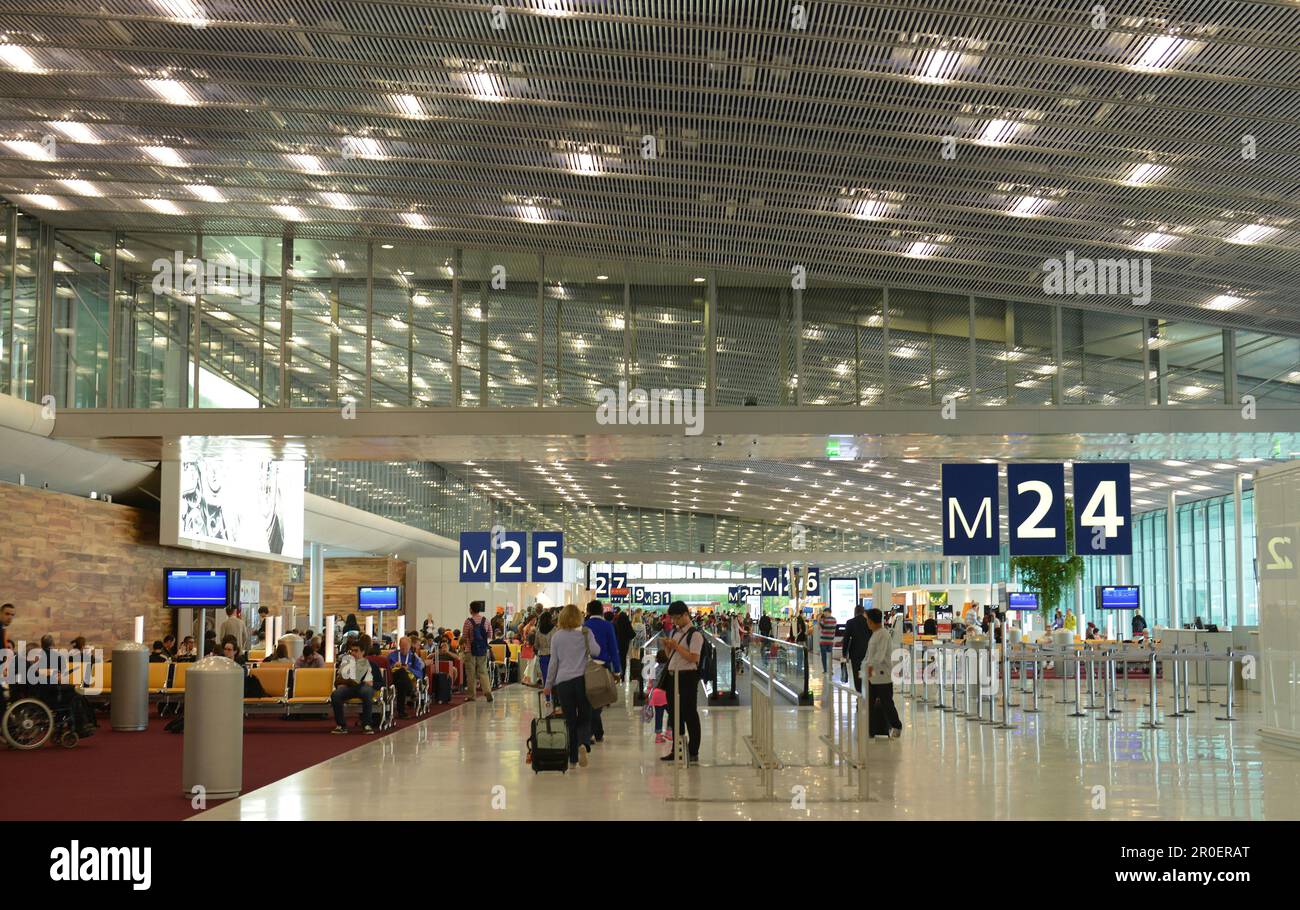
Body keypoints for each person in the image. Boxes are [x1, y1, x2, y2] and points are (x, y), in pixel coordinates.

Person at [543, 603, 599, 768]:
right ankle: (583, 743)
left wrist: (548, 685)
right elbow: (596, 651)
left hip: (563, 683)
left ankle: (573, 759)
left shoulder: (557, 637)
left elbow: (553, 663)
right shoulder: (585, 632)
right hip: (583, 681)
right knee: (585, 715)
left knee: (569, 720)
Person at [658, 601, 703, 765]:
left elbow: (693, 658)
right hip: (672, 677)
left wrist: (676, 646)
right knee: (674, 715)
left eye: (677, 618)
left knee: (690, 714)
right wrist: (668, 647)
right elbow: (671, 655)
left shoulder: (695, 635)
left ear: (685, 614)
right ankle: (676, 750)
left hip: (687, 678)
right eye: (673, 619)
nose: (675, 622)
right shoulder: (675, 633)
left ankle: (693, 751)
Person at [584, 600, 621, 743]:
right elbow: (613, 648)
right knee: (599, 698)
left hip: (587, 666)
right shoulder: (608, 626)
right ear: (601, 611)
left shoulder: (584, 626)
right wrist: (617, 670)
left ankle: (596, 732)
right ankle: (596, 731)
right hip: (603, 666)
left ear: (588, 611)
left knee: (590, 698)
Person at [864, 608, 902, 738]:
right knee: (870, 704)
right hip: (872, 676)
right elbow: (869, 655)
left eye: (867, 619)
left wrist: (870, 666)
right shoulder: (874, 634)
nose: (866, 622)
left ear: (872, 620)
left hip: (883, 675)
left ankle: (896, 726)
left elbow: (879, 655)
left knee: (887, 703)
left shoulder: (883, 634)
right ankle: (871, 729)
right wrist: (864, 666)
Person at [330, 640, 376, 734]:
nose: (353, 653)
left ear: (362, 652)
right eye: (352, 651)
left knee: (367, 692)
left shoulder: (368, 664)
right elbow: (339, 679)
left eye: (356, 651)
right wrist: (343, 683)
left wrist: (371, 683)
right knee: (335, 695)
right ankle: (341, 725)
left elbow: (378, 682)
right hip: (350, 687)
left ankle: (367, 724)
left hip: (364, 686)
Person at [462, 600, 495, 702]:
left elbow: (464, 636)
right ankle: (487, 691)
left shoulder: (468, 621)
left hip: (470, 650)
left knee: (470, 673)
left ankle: (472, 695)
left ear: (471, 609)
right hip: (482, 649)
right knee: (483, 671)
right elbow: (490, 635)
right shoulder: (486, 621)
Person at [388, 635, 425, 718]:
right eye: (402, 647)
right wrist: (394, 666)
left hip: (405, 682)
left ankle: (401, 712)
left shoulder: (413, 657)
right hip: (394, 679)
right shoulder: (392, 656)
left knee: (402, 682)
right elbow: (387, 670)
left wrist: (410, 669)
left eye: (406, 647)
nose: (404, 649)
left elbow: (420, 674)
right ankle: (410, 691)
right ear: (399, 646)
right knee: (401, 672)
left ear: (410, 646)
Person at [840, 605, 871, 692]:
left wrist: (844, 654)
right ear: (863, 612)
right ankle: (867, 691)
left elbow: (846, 639)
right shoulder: (868, 622)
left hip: (855, 653)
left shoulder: (850, 622)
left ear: (855, 612)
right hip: (867, 652)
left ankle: (859, 692)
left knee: (856, 673)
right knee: (867, 672)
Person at [613, 606, 636, 681]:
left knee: (618, 657)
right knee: (623, 658)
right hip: (625, 642)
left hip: (616, 642)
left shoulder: (615, 621)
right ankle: (623, 675)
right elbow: (632, 633)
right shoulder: (625, 620)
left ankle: (617, 673)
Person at [817, 609, 838, 674]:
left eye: (824, 612)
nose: (824, 614)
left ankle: (825, 670)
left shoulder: (824, 620)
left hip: (823, 640)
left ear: (827, 612)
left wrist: (818, 619)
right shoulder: (834, 620)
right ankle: (830, 669)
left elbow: (819, 627)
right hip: (830, 640)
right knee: (829, 656)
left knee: (824, 656)